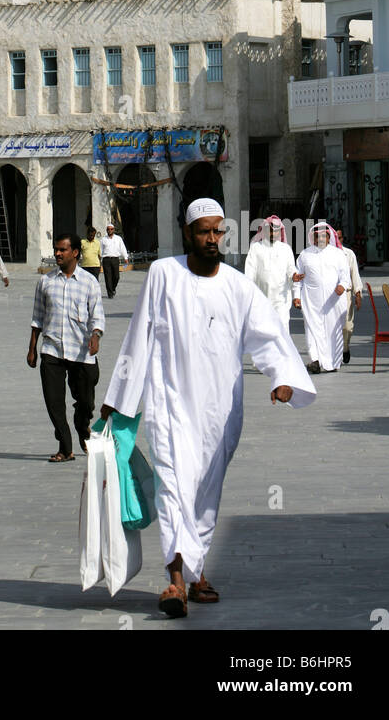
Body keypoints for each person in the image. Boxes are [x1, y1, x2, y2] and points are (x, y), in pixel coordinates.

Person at [100, 197, 315, 619]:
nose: (213, 238)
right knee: (174, 490)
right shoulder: (164, 274)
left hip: (220, 411)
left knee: (204, 495)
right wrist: (118, 398)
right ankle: (176, 580)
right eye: (204, 231)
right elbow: (138, 337)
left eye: (218, 231)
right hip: (171, 406)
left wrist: (282, 377)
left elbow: (268, 336)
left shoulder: (236, 285)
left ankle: (197, 572)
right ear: (188, 233)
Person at [27, 233, 105, 462]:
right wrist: (32, 348)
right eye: (56, 249)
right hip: (51, 349)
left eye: (62, 249)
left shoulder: (89, 282)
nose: (57, 253)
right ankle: (65, 446)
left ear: (75, 253)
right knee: (54, 401)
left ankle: (83, 428)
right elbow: (37, 318)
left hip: (82, 351)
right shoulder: (46, 282)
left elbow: (97, 316)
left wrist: (96, 336)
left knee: (86, 401)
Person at [293, 222, 349, 373]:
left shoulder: (338, 254)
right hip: (311, 301)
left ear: (329, 237)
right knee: (311, 330)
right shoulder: (305, 255)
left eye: (324, 236)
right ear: (314, 238)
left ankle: (332, 363)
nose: (321, 239)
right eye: (318, 236)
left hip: (333, 302)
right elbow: (298, 278)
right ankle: (315, 360)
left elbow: (345, 276)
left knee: (332, 331)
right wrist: (296, 297)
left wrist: (342, 286)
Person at [244, 215, 296, 326]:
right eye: (270, 231)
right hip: (261, 298)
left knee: (281, 330)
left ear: (280, 232)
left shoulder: (285, 249)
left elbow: (291, 270)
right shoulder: (256, 247)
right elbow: (250, 272)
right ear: (264, 231)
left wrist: (294, 277)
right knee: (263, 331)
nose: (273, 234)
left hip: (281, 300)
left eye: (276, 231)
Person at [336, 229, 363, 365]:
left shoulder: (348, 254)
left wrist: (357, 293)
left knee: (347, 327)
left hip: (346, 294)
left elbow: (355, 274)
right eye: (335, 237)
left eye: (340, 238)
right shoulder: (323, 254)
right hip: (330, 296)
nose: (338, 241)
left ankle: (345, 348)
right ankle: (334, 353)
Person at [100, 222, 128, 299]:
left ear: (114, 230)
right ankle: (110, 293)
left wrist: (125, 257)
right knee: (108, 277)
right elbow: (100, 251)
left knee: (116, 276)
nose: (110, 230)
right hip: (106, 260)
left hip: (115, 259)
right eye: (108, 229)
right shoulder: (103, 239)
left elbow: (122, 248)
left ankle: (113, 288)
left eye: (111, 229)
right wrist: (99, 260)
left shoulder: (118, 239)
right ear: (106, 230)